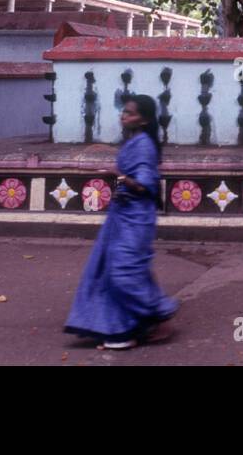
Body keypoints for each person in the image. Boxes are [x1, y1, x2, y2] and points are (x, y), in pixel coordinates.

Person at [64, 93, 179, 349]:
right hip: (123, 213)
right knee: (113, 267)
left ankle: (159, 315)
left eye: (130, 113)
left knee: (123, 272)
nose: (123, 116)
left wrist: (117, 176)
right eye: (124, 111)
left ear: (144, 120)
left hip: (136, 217)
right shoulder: (134, 141)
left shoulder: (144, 146)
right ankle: (120, 324)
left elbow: (145, 186)